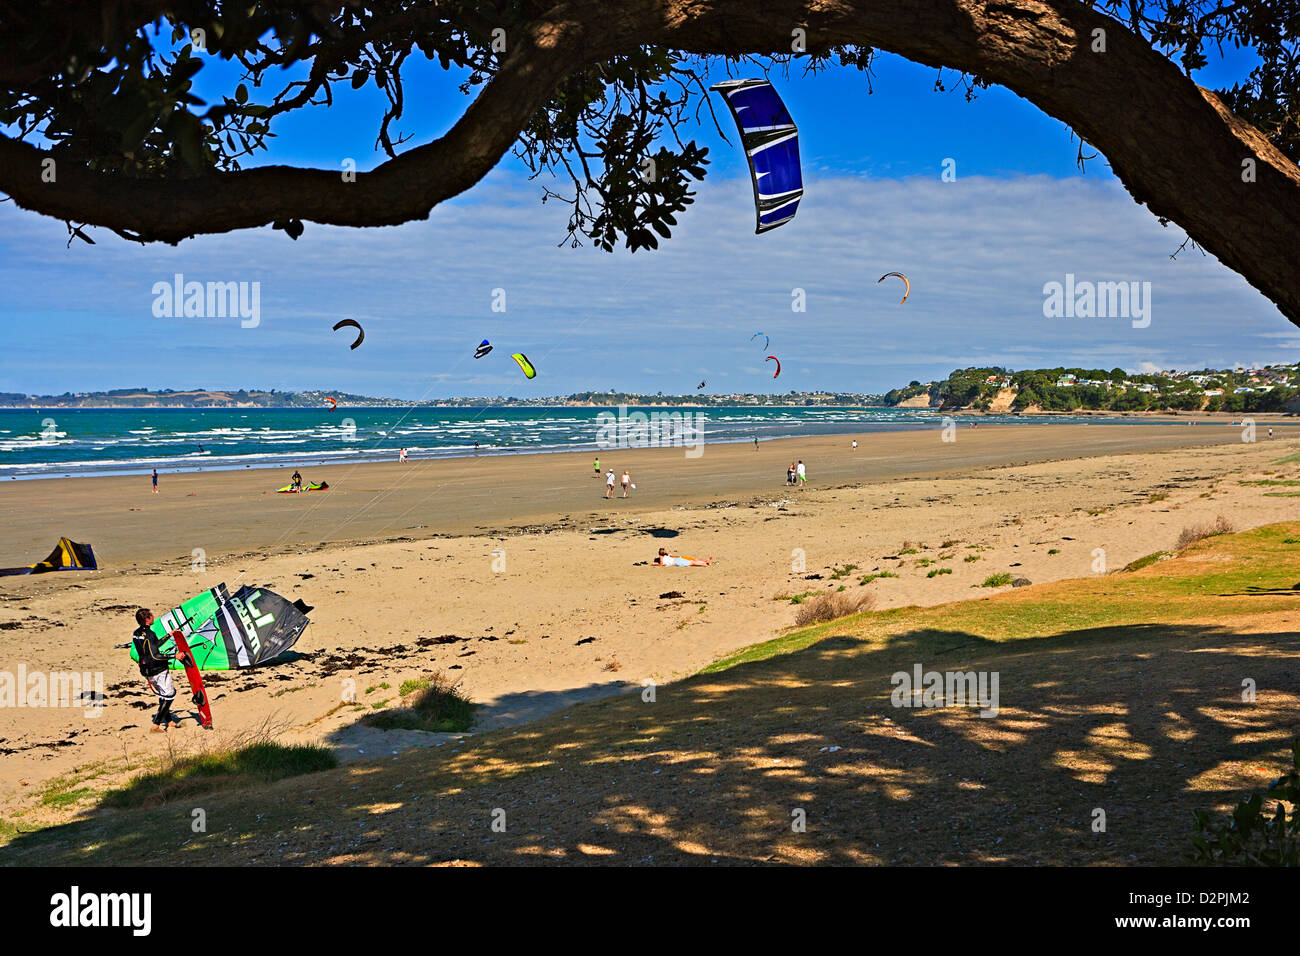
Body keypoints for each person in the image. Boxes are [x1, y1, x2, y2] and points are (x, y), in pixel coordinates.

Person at [132, 609, 179, 732]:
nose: (153, 616)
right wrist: (175, 656)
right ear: (147, 619)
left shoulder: (136, 633)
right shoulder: (149, 634)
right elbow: (155, 655)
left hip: (146, 670)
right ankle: (156, 724)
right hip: (158, 669)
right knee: (169, 694)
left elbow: (154, 645)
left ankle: (169, 721)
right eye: (151, 615)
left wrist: (169, 635)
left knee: (163, 694)